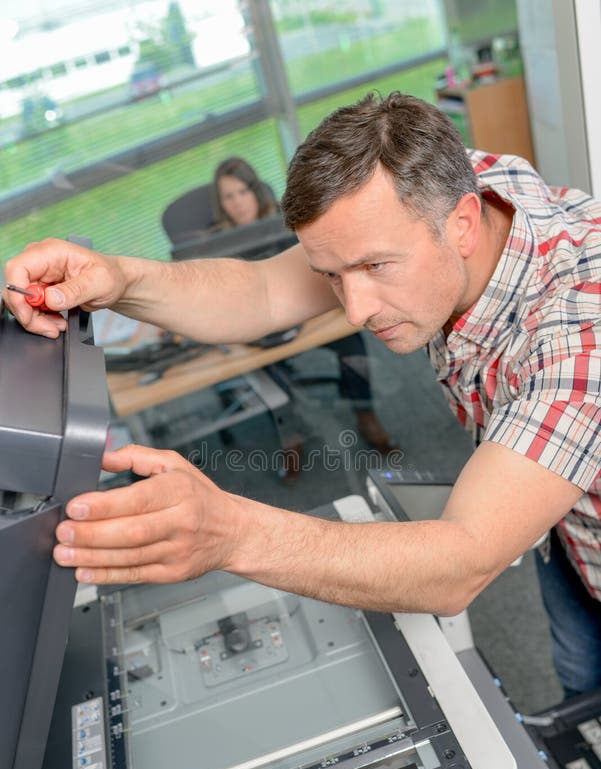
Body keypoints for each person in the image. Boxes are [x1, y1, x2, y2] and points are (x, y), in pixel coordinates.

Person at [5, 92, 601, 699]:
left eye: (375, 267)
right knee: (581, 677)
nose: (355, 310)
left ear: (464, 225)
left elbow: (459, 561)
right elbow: (264, 291)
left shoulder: (582, 334)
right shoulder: (441, 184)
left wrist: (230, 533)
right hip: (565, 531)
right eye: (333, 276)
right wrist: (120, 278)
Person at [211, 156, 398, 465]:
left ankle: (365, 414)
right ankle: (290, 434)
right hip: (263, 328)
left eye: (243, 192)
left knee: (352, 345)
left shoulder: (287, 222)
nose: (237, 203)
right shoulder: (217, 243)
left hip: (308, 316)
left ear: (256, 191)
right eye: (228, 197)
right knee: (265, 368)